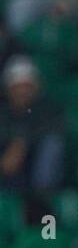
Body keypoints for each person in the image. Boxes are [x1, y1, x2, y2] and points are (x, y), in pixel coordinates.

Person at [0, 56, 64, 196]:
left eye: (27, 86)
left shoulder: (48, 110)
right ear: (8, 89)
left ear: (36, 88)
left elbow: (55, 130)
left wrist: (22, 142)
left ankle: (42, 197)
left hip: (37, 173)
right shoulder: (4, 113)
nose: (23, 92)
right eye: (17, 87)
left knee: (52, 146)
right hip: (7, 173)